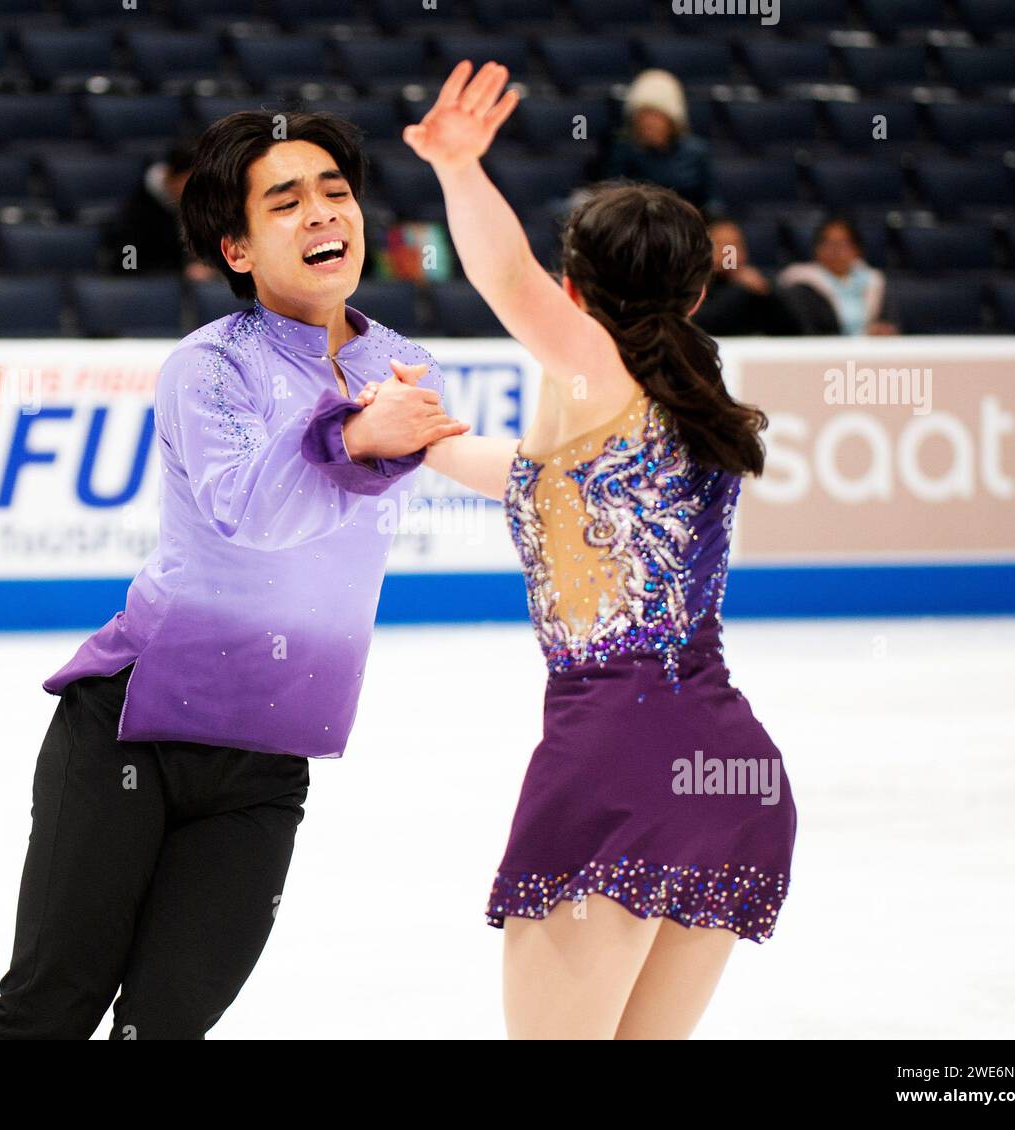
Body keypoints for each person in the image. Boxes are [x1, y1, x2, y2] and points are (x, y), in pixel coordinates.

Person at [0, 109, 469, 1040]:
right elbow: (253, 511)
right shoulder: (208, 366)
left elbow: (468, 462)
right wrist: (356, 435)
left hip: (270, 759)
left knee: (165, 1026)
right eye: (287, 202)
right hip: (131, 728)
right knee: (48, 1011)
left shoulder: (406, 363)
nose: (324, 215)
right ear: (236, 249)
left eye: (336, 192)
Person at [357, 61, 797, 1039]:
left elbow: (505, 280)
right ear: (691, 294)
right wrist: (426, 438)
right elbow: (543, 478)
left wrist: (461, 172)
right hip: (729, 771)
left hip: (620, 759)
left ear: (574, 287)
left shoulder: (594, 366)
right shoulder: (688, 389)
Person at [599, 68, 719, 215]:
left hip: (686, 224)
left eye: (656, 116)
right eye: (643, 115)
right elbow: (610, 199)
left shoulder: (696, 151)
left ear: (672, 120)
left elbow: (712, 201)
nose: (649, 123)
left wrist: (715, 220)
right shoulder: (623, 151)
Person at [105, 138, 216, 281]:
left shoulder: (204, 204)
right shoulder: (137, 213)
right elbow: (127, 260)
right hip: (152, 285)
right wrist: (179, 273)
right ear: (170, 176)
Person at [777, 216, 900, 335]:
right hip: (825, 353)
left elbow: (890, 323)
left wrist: (883, 330)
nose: (835, 251)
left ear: (857, 249)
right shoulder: (801, 285)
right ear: (816, 248)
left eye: (842, 244)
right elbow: (805, 332)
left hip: (869, 352)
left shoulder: (873, 281)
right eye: (828, 243)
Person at [693, 215, 802, 337]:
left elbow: (795, 330)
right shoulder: (693, 285)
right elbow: (700, 325)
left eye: (735, 245)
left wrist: (767, 292)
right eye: (721, 244)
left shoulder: (759, 287)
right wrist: (738, 289)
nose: (729, 253)